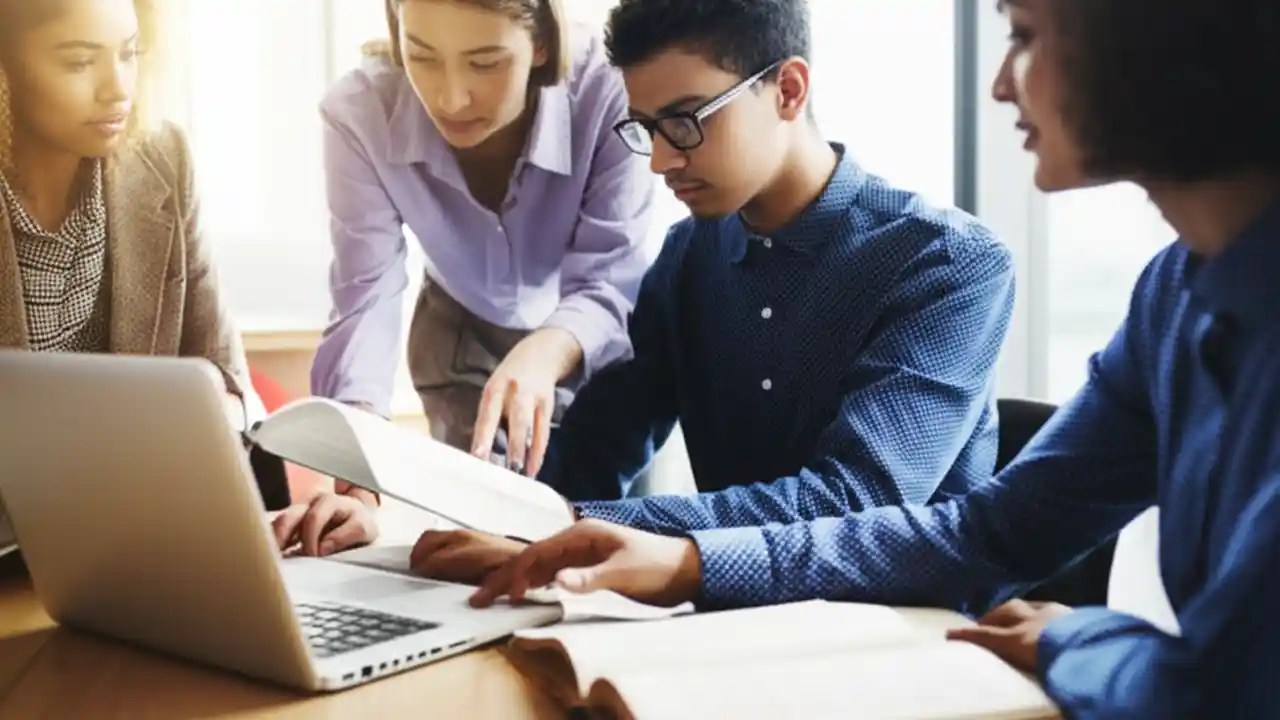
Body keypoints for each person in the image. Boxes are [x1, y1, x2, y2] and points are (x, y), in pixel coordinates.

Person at [471, 0, 1280, 716]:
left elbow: (1211, 691)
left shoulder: (949, 261)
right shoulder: (1171, 294)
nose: (1000, 84)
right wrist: (494, 521)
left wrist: (1087, 640)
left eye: (1025, 35)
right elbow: (991, 531)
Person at [408, 0, 1014, 583]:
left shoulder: (949, 264)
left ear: (789, 90)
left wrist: (571, 528)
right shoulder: (690, 257)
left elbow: (856, 502)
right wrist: (449, 500)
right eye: (647, 129)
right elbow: (593, 452)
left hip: (910, 637)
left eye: (686, 122)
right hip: (723, 624)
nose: (661, 161)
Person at [274, 0, 657, 557]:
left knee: (620, 540)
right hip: (461, 336)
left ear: (543, 43)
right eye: (422, 56)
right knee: (488, 544)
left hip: (607, 336)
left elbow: (611, 273)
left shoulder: (611, 87)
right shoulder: (359, 112)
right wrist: (357, 481)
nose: (450, 97)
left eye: (485, 63)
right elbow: (366, 297)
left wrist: (543, 353)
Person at [0, 0, 250, 422]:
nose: (118, 90)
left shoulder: (165, 160)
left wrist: (203, 419)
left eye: (129, 53)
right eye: (80, 62)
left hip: (141, 480)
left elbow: (225, 377)